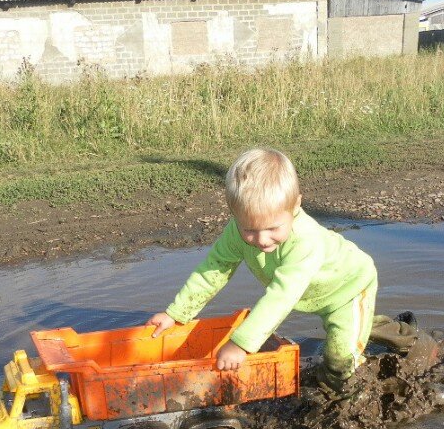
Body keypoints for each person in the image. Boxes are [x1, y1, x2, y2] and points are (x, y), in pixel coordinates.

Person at [147, 148, 379, 396]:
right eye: (250, 230)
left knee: (339, 359)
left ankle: (350, 400)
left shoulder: (305, 241)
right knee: (355, 330)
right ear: (234, 215)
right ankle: (384, 331)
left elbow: (281, 296)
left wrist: (240, 343)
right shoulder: (236, 233)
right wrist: (176, 313)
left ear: (296, 205)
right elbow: (213, 269)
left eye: (272, 228)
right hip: (314, 295)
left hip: (348, 288)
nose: (262, 240)